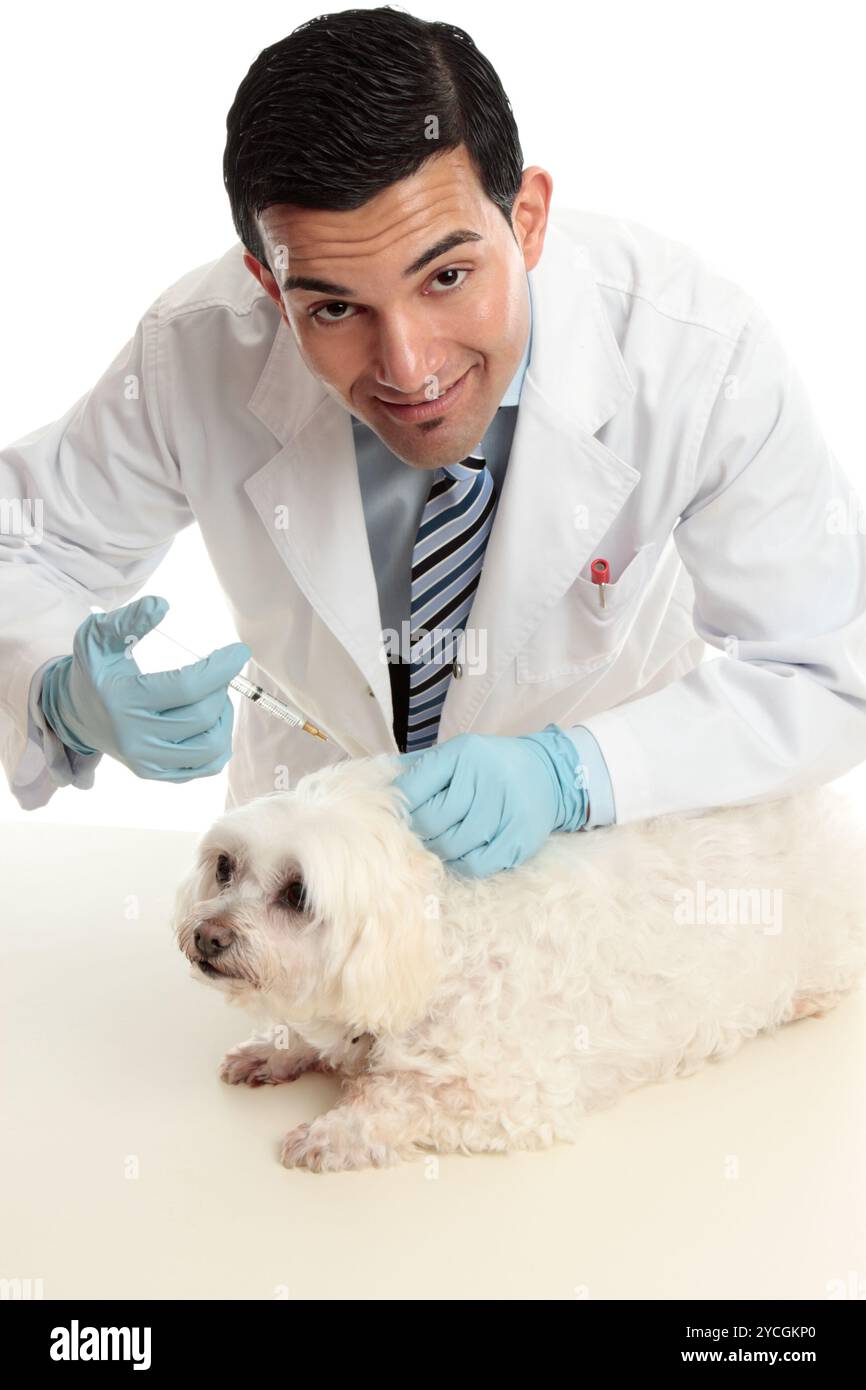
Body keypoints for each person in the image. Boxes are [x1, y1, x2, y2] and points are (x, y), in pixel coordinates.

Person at [2, 8, 865, 879]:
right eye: (335, 308)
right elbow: (21, 546)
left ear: (527, 220)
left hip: (612, 882)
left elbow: (827, 668)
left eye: (447, 277)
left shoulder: (696, 352)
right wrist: (57, 692)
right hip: (313, 898)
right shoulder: (195, 349)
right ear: (268, 282)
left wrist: (573, 774)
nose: (409, 369)